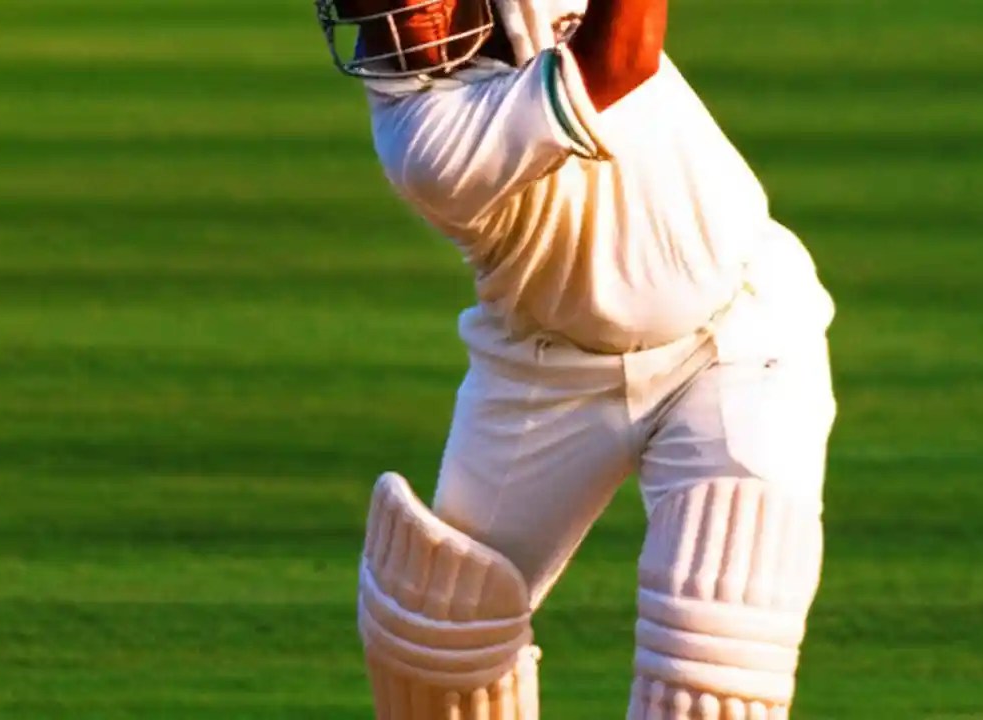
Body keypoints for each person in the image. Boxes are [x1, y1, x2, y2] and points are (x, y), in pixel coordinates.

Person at [314, 0, 838, 716]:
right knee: (432, 627)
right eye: (375, 16)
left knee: (712, 652)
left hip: (738, 337)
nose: (401, 35)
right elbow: (620, 60)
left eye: (413, 4)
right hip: (543, 370)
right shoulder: (423, 139)